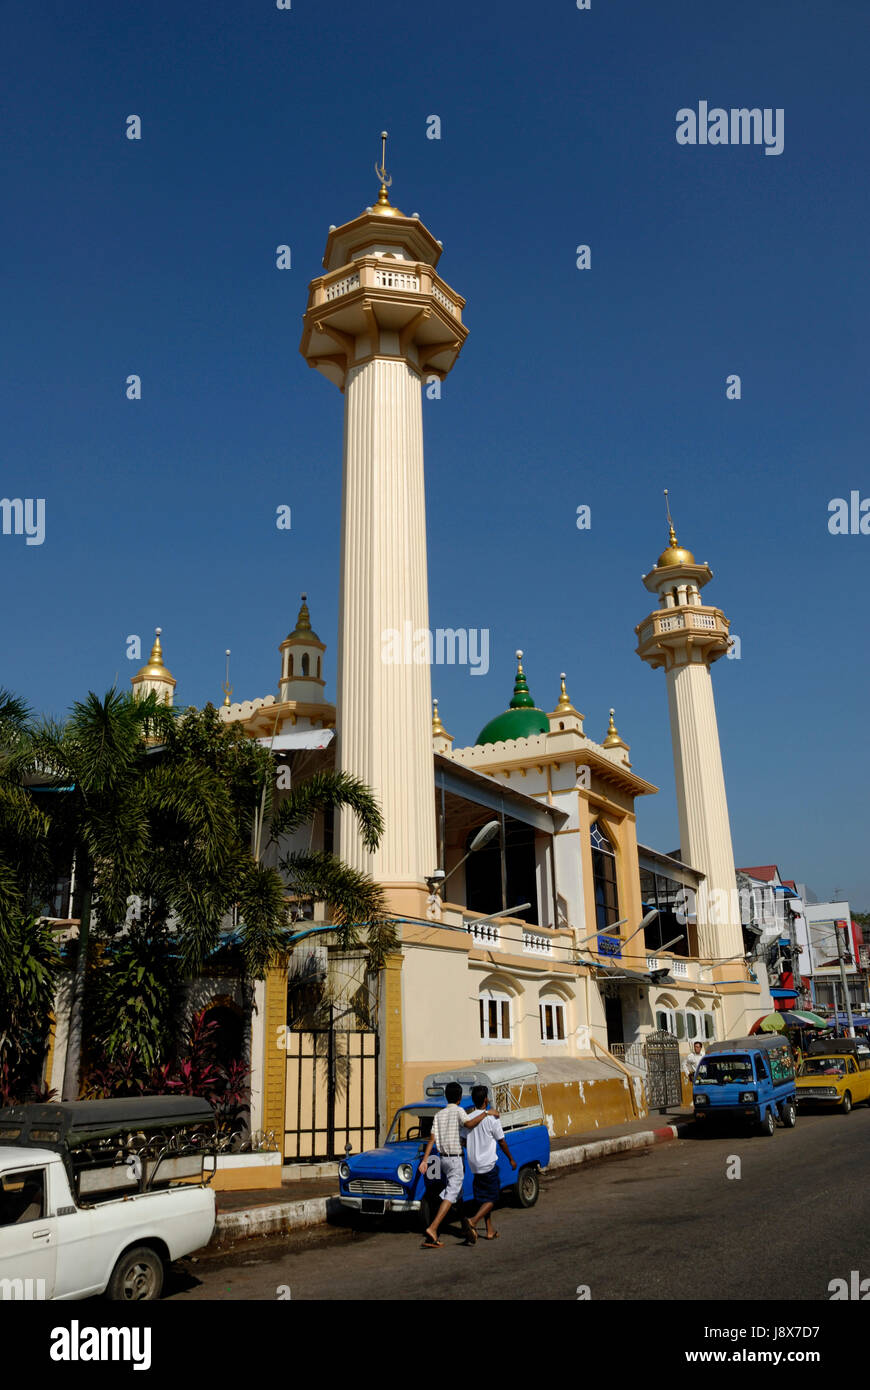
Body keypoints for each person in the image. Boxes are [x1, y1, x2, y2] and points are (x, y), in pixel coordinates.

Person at [417, 1081, 496, 1248]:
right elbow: (469, 1124)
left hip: (443, 1159)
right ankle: (433, 1228)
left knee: (457, 1194)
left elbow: (432, 1140)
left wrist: (425, 1160)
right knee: (452, 1193)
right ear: (459, 1098)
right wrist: (487, 1114)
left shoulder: (439, 1115)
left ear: (447, 1097)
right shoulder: (459, 1111)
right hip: (455, 1160)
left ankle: (464, 1227)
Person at [462, 1084, 515, 1244]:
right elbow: (502, 1142)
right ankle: (473, 1221)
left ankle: (490, 1230)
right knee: (493, 1197)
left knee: (484, 1198)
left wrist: (474, 1147)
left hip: (474, 1165)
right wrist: (511, 1158)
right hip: (488, 1164)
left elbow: (463, 1140)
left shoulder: (469, 1118)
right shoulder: (492, 1118)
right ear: (486, 1100)